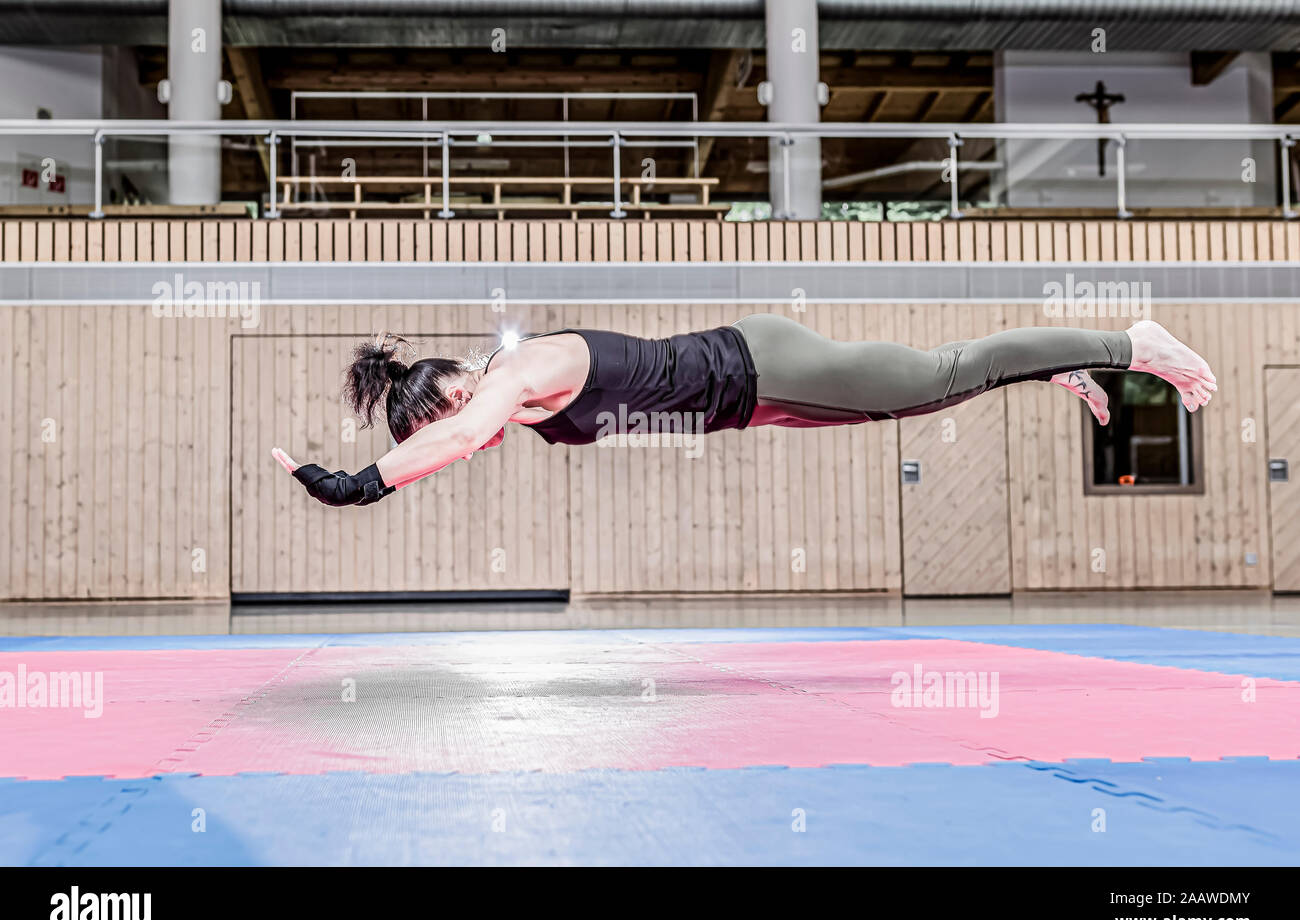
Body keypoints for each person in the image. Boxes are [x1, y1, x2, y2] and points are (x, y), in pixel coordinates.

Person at [272, 314, 1216, 506]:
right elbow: (466, 435)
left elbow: (464, 432)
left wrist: (355, 484)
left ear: (450, 391)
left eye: (434, 422)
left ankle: (1133, 345)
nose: (454, 443)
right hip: (757, 401)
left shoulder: (512, 378)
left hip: (764, 367)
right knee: (921, 396)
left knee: (936, 373)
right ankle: (1052, 369)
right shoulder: (510, 402)